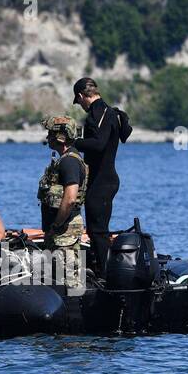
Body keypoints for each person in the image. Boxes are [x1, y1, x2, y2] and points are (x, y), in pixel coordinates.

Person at [71, 77, 120, 274]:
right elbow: (125, 133)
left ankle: (106, 274)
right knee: (99, 230)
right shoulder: (112, 112)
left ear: (82, 96)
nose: (80, 106)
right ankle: (104, 269)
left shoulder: (96, 113)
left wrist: (75, 143)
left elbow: (98, 144)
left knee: (97, 231)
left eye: (79, 101)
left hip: (102, 181)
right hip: (107, 179)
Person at [38, 114, 88, 288]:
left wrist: (57, 225)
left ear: (61, 136)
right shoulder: (65, 160)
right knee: (58, 278)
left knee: (69, 281)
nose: (48, 137)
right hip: (60, 231)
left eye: (51, 133)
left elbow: (70, 198)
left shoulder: (69, 163)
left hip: (64, 231)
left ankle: (74, 312)